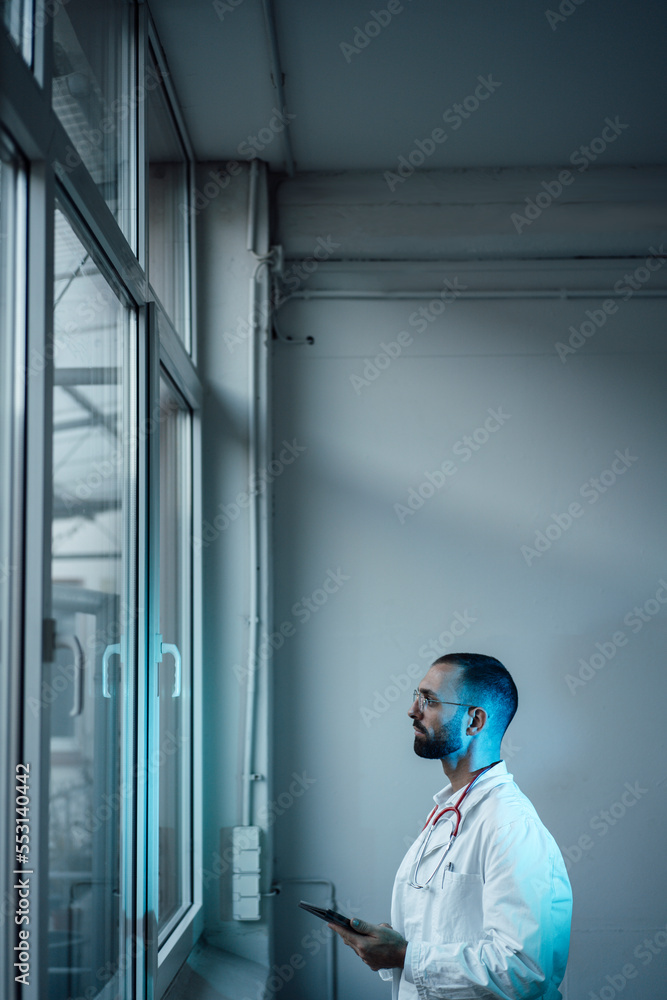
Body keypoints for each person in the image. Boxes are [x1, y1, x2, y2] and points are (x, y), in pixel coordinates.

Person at [329, 652, 572, 999]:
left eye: (429, 700)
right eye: (417, 696)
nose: (413, 710)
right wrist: (394, 946)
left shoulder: (511, 826)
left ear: (473, 722)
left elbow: (524, 970)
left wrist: (404, 954)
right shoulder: (449, 815)